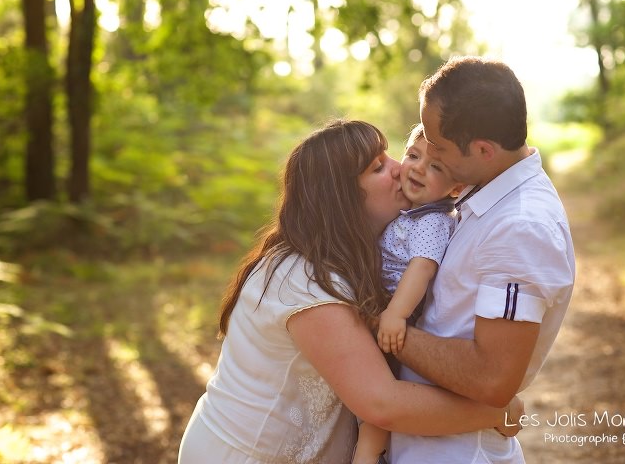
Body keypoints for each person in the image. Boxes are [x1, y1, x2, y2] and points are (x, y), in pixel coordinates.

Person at [177, 119, 524, 464]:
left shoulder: (362, 254)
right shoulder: (306, 277)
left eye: (390, 157)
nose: (399, 168)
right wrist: (498, 412)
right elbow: (381, 402)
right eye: (377, 167)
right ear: (342, 196)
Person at [390, 56, 576, 463]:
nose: (428, 151)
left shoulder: (520, 227)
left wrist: (377, 324)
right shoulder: (482, 191)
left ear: (483, 150)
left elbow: (492, 378)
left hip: (456, 452)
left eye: (437, 147)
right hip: (422, 439)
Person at [354, 123, 463, 464]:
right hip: (388, 306)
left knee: (378, 390)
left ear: (456, 187)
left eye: (436, 166)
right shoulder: (412, 214)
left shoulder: (433, 220)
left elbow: (422, 268)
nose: (417, 168)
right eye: (413, 156)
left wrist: (395, 314)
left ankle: (368, 455)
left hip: (398, 311)